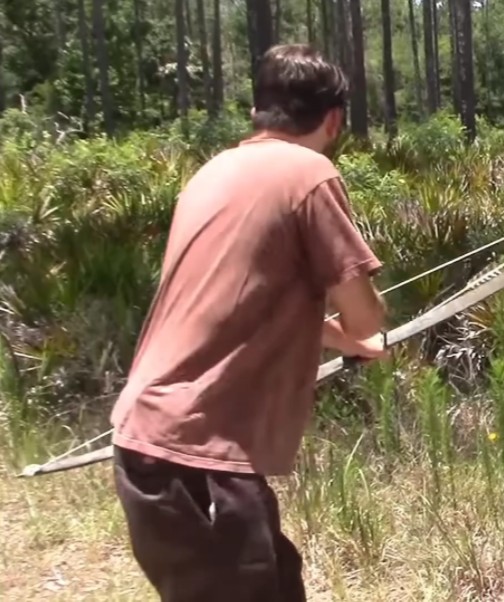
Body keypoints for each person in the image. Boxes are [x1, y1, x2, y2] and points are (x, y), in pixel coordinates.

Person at [108, 44, 387, 602]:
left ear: (259, 110)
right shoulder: (309, 173)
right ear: (333, 120)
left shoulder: (213, 173)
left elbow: (245, 306)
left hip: (153, 443)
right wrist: (370, 334)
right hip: (195, 456)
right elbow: (364, 312)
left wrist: (343, 340)